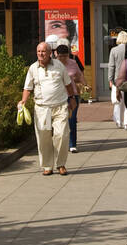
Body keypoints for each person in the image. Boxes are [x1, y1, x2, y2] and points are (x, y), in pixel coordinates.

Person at [20, 41, 76, 175]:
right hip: (42, 108)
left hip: (60, 106)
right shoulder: (33, 68)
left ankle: (61, 164)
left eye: (44, 51)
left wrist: (72, 98)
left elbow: (68, 84)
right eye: (39, 51)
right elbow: (28, 87)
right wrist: (23, 101)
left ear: (50, 53)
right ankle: (47, 166)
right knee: (43, 137)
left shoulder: (59, 66)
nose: (41, 54)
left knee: (62, 134)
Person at [56, 43, 85, 152]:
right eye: (60, 56)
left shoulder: (73, 63)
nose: (63, 58)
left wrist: (85, 85)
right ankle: (61, 143)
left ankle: (72, 144)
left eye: (65, 56)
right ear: (56, 55)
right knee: (61, 120)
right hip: (59, 96)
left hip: (73, 95)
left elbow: (79, 75)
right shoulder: (54, 64)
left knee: (72, 120)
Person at [108, 31, 127, 129]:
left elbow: (111, 66)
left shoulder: (114, 50)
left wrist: (110, 79)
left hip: (117, 79)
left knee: (118, 102)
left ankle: (118, 121)